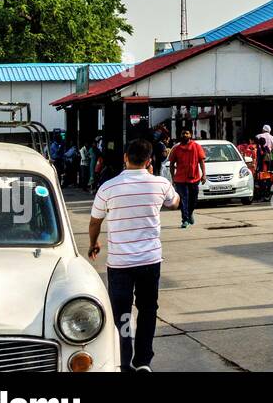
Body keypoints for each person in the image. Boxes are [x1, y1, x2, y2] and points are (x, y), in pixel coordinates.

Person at [88, 136, 180, 371]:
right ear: (149, 161)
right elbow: (174, 203)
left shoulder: (108, 187)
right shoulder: (159, 184)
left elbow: (95, 221)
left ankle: (124, 361)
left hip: (119, 263)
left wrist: (94, 243)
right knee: (148, 310)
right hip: (150, 260)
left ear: (125, 158)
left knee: (122, 313)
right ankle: (143, 361)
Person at [168, 129, 207, 228]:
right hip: (180, 179)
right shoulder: (176, 149)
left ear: (190, 135)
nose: (185, 135)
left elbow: (201, 161)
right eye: (183, 133)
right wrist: (173, 177)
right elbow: (172, 164)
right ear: (180, 135)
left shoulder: (196, 146)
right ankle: (185, 220)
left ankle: (190, 213)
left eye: (187, 133)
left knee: (193, 200)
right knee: (183, 199)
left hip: (194, 178)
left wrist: (204, 174)